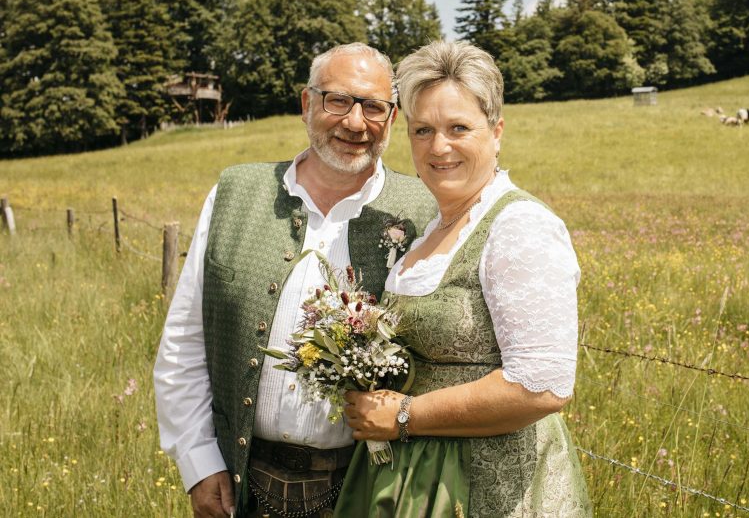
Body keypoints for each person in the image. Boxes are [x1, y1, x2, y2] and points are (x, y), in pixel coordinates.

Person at [154, 43, 437, 518]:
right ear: (307, 104)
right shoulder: (234, 193)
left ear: (390, 119)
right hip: (243, 479)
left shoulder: (423, 210)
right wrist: (198, 461)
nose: (354, 122)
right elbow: (186, 341)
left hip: (375, 487)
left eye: (373, 106)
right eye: (337, 100)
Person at [336, 41, 592, 517]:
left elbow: (542, 386)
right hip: (418, 481)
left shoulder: (519, 226)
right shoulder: (430, 232)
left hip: (493, 490)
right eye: (423, 130)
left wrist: (405, 415)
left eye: (459, 128)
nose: (439, 147)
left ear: (496, 131)